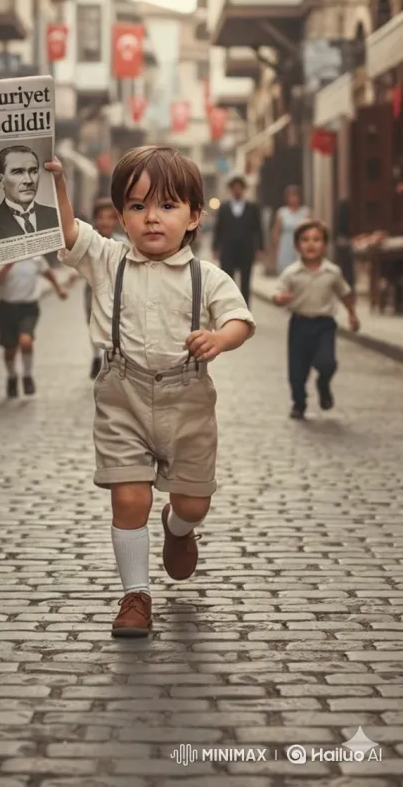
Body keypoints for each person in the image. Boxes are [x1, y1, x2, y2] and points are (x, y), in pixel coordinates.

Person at [46, 145, 255, 638]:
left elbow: (240, 321)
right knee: (128, 497)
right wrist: (57, 184)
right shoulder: (108, 260)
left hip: (188, 398)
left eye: (166, 206)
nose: (152, 218)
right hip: (123, 394)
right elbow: (70, 233)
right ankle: (135, 596)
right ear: (121, 216)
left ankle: (177, 527)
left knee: (193, 503)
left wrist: (218, 339)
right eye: (137, 207)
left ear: (194, 216)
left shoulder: (209, 276)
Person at [273, 218, 360, 421]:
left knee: (327, 362)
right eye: (305, 240)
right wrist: (280, 299)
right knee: (297, 370)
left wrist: (352, 314)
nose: (311, 244)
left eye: (316, 239)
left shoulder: (333, 272)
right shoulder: (291, 273)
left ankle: (323, 385)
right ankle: (299, 403)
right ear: (296, 245)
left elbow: (345, 293)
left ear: (325, 245)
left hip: (324, 325)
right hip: (299, 324)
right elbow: (278, 293)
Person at [0, 256, 68, 399]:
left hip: (29, 307)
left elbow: (47, 272)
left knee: (25, 341)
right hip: (7, 307)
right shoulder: (0, 258)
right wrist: (7, 266)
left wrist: (59, 288)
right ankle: (12, 376)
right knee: (9, 349)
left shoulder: (35, 259)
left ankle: (27, 376)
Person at [0, 145, 60, 242]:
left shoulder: (55, 215)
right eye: (18, 172)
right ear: (0, 180)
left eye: (34, 171)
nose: (28, 181)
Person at [84, 197, 122, 380]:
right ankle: (96, 357)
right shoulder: (88, 242)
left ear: (116, 220)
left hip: (115, 293)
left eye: (109, 217)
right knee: (93, 324)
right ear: (95, 220)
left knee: (114, 326)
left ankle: (112, 358)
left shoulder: (122, 243)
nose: (105, 222)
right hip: (92, 291)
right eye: (101, 217)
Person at [211, 175, 263, 306]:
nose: (237, 191)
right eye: (234, 188)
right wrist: (215, 247)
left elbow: (258, 229)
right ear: (231, 190)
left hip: (246, 249)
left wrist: (260, 248)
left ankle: (245, 308)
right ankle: (229, 307)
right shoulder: (224, 208)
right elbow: (218, 229)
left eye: (239, 188)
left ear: (243, 189)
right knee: (228, 280)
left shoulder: (252, 207)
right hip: (228, 249)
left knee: (246, 280)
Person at [271, 185, 311, 275]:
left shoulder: (305, 212)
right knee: (286, 270)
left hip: (301, 243)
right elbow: (276, 231)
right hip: (286, 244)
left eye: (295, 196)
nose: (293, 199)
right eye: (290, 196)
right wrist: (276, 247)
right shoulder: (282, 212)